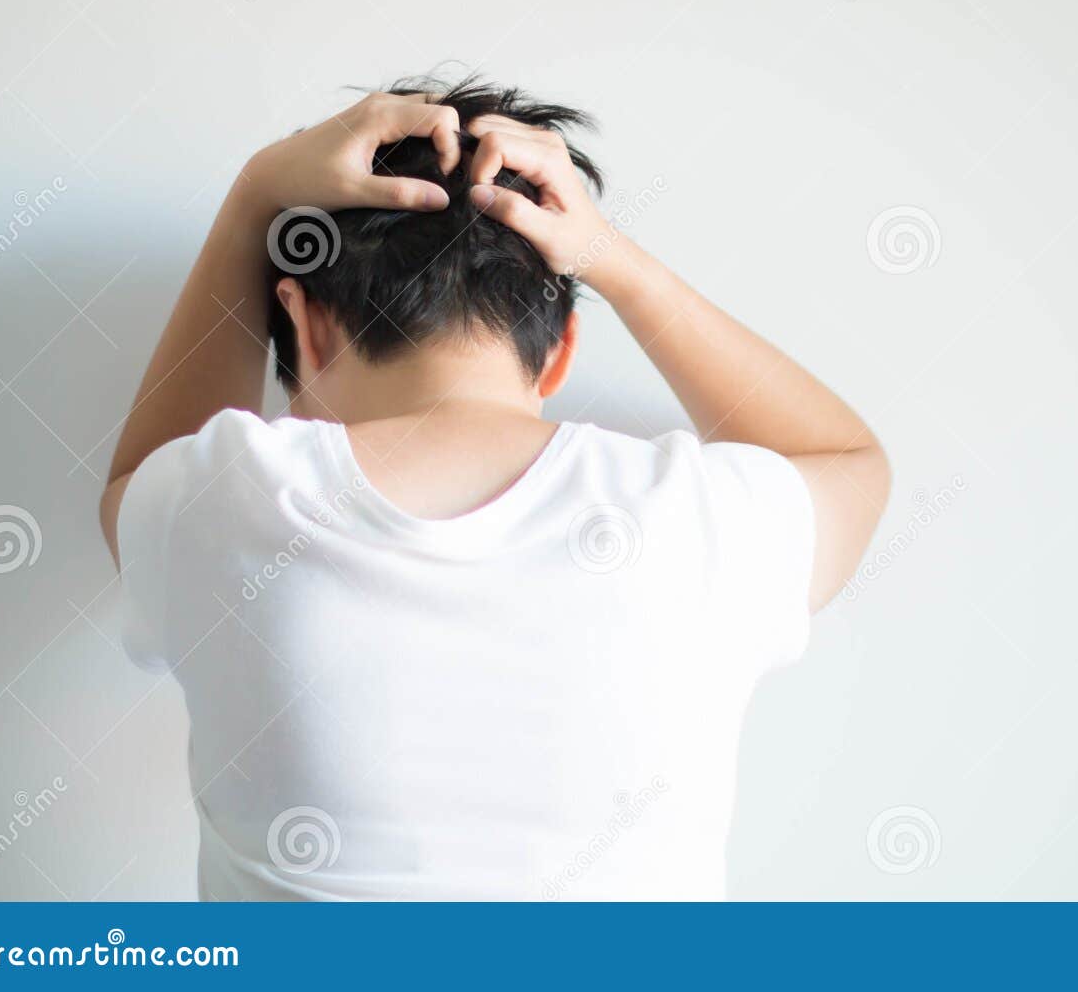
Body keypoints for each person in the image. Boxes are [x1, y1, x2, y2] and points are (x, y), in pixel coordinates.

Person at [99, 77, 890, 900]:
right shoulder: (703, 517)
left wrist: (256, 194)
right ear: (561, 349)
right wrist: (615, 262)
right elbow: (848, 457)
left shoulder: (220, 505)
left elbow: (141, 477)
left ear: (304, 323)